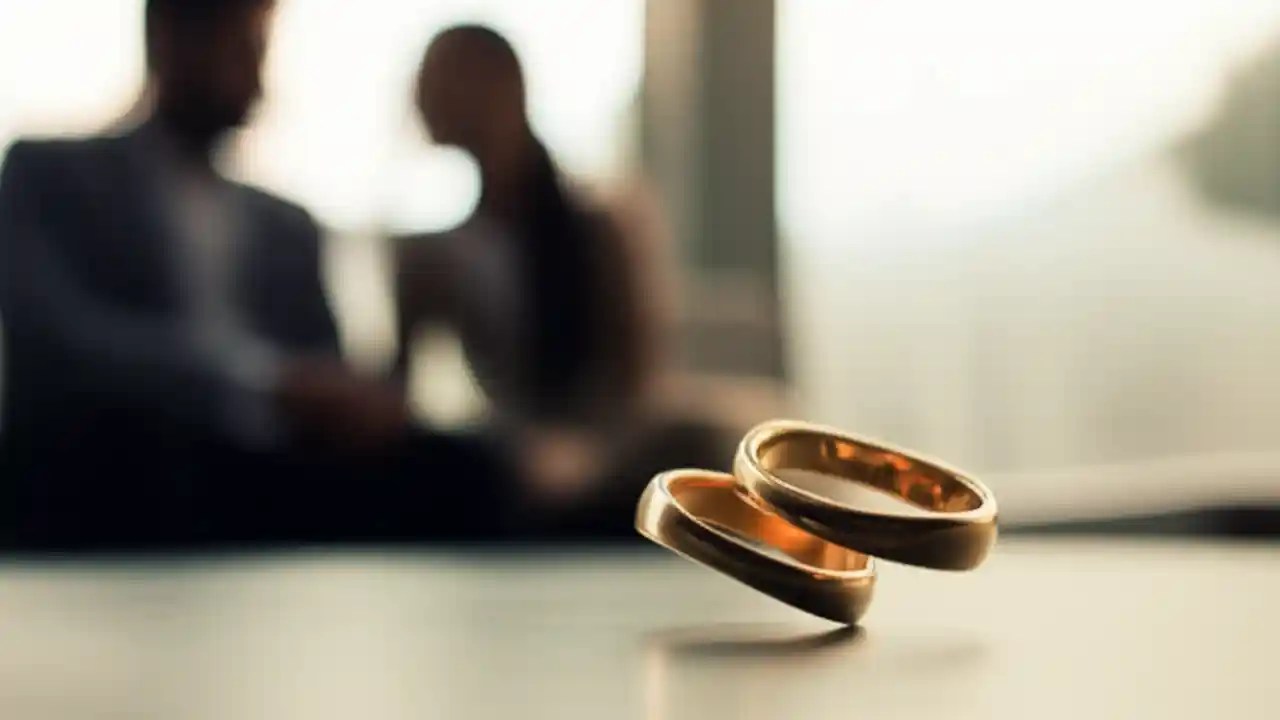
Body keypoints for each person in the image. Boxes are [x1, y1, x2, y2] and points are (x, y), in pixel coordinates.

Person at [0, 0, 496, 547]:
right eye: (243, 51)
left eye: (261, 53)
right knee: (157, 459)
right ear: (170, 40)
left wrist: (379, 378)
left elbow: (327, 367)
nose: (258, 79)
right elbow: (52, 340)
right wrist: (262, 381)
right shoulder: (48, 173)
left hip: (269, 472)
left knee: (463, 468)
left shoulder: (286, 223)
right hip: (125, 457)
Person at [395, 25, 723, 537]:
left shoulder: (603, 220)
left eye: (440, 78)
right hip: (512, 454)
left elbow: (635, 383)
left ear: (502, 86)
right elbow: (398, 391)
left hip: (607, 445)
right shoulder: (435, 253)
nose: (419, 96)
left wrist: (585, 453)